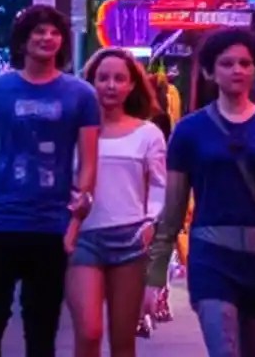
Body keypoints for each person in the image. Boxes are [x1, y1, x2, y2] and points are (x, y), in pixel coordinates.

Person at [147, 28, 255, 357]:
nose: (238, 70)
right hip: (211, 258)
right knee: (224, 350)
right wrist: (155, 274)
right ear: (210, 71)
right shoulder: (189, 132)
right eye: (227, 63)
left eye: (245, 63)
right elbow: (173, 209)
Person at [0, 5, 102, 357]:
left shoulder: (81, 94)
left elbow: (88, 165)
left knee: (42, 330)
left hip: (51, 227)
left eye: (54, 32)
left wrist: (73, 226)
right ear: (22, 41)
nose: (47, 37)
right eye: (38, 31)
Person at [64, 48, 168, 357]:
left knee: (124, 342)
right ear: (90, 82)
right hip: (83, 238)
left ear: (132, 84)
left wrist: (150, 222)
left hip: (131, 240)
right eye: (103, 78)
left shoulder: (148, 133)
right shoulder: (74, 131)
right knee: (89, 331)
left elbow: (160, 186)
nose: (111, 85)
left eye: (119, 79)